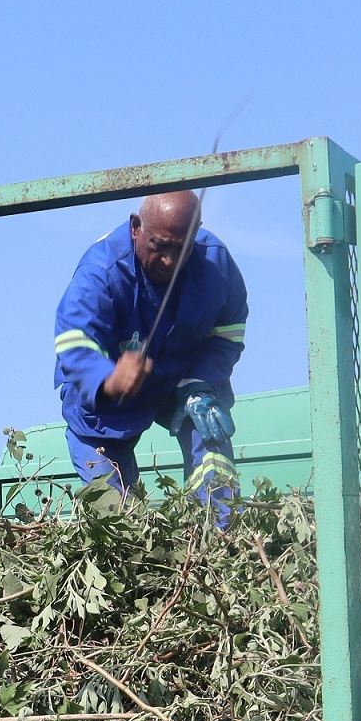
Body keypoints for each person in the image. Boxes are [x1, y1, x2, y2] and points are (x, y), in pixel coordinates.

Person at [52, 190, 248, 509]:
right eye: (159, 246)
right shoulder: (100, 271)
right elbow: (73, 340)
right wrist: (110, 379)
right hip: (105, 401)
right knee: (115, 513)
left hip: (180, 381)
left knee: (209, 430)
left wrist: (201, 381)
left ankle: (218, 537)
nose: (169, 260)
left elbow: (229, 330)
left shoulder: (217, 266)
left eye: (181, 248)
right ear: (135, 227)